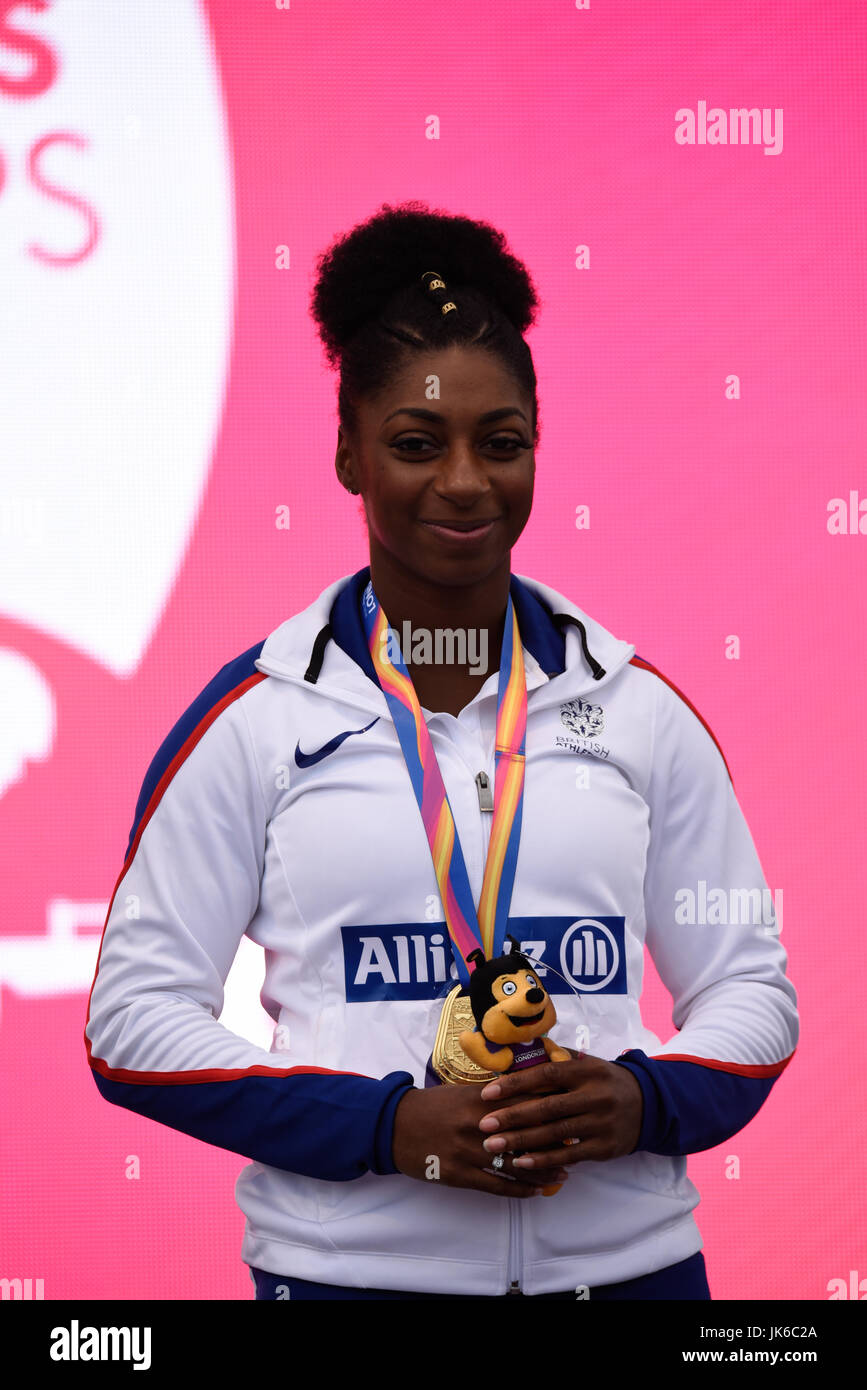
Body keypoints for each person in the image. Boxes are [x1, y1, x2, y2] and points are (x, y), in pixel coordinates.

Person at [85, 201, 798, 1300]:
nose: (465, 481)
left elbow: (753, 991)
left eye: (500, 443)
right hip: (350, 1277)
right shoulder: (257, 720)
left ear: (535, 446)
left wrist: (641, 1102)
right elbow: (131, 1025)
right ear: (347, 453)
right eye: (417, 444)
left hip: (633, 1273)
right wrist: (387, 1124)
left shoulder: (638, 707)